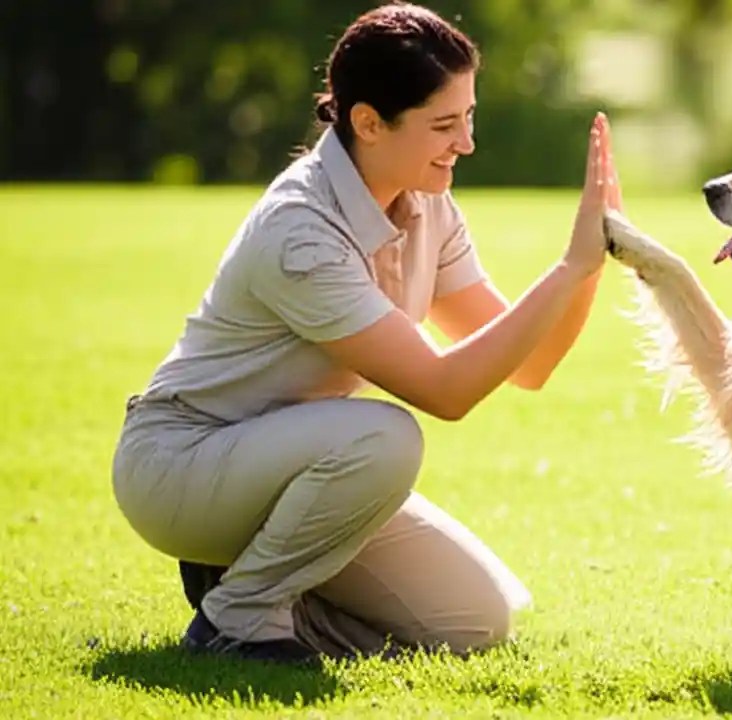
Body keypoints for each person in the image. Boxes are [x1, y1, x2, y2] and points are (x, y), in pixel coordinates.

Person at [110, 2, 622, 665]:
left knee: (476, 619)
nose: (465, 143)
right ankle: (237, 617)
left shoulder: (429, 202)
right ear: (368, 123)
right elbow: (445, 391)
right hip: (180, 470)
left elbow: (530, 364)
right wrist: (569, 265)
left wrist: (593, 259)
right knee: (386, 435)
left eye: (468, 117)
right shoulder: (299, 230)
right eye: (443, 124)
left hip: (293, 469)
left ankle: (250, 586)